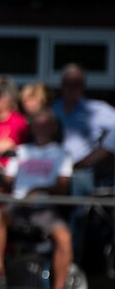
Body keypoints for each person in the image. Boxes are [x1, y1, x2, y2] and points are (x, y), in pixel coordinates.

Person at [0, 110, 74, 289]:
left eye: (45, 125)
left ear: (54, 128)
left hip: (45, 208)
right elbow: (7, 181)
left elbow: (63, 186)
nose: (41, 129)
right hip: (18, 207)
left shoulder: (61, 154)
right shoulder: (21, 151)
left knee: (64, 238)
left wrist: (38, 189)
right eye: (37, 125)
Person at [51, 64, 115, 263]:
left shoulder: (96, 109)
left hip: (80, 174)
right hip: (53, 172)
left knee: (75, 220)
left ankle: (72, 267)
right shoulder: (54, 109)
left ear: (83, 85)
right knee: (50, 218)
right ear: (61, 85)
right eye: (67, 83)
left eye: (76, 84)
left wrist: (101, 152)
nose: (71, 88)